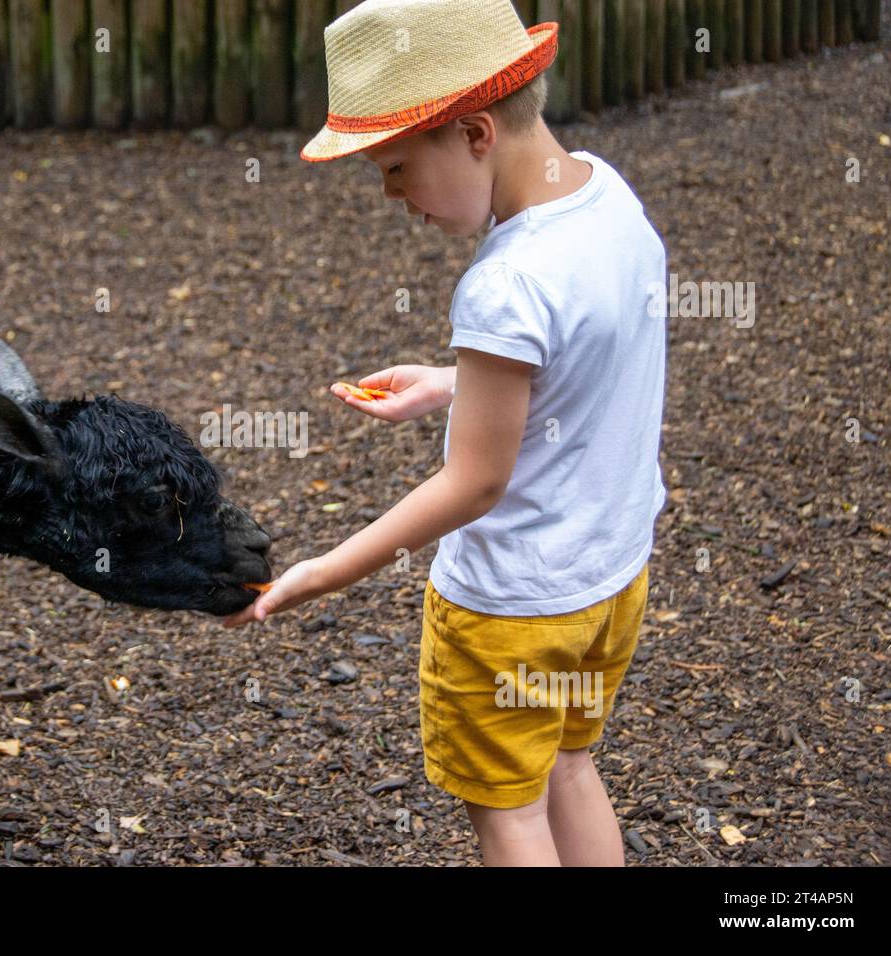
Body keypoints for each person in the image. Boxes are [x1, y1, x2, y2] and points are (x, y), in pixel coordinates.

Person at [222, 0, 668, 867]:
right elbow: (591, 359)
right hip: (610, 584)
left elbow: (475, 484)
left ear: (472, 133)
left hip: (513, 610)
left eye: (393, 168)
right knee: (570, 768)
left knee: (508, 813)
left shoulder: (504, 283)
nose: (391, 196)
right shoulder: (608, 195)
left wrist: (328, 569)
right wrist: (457, 383)